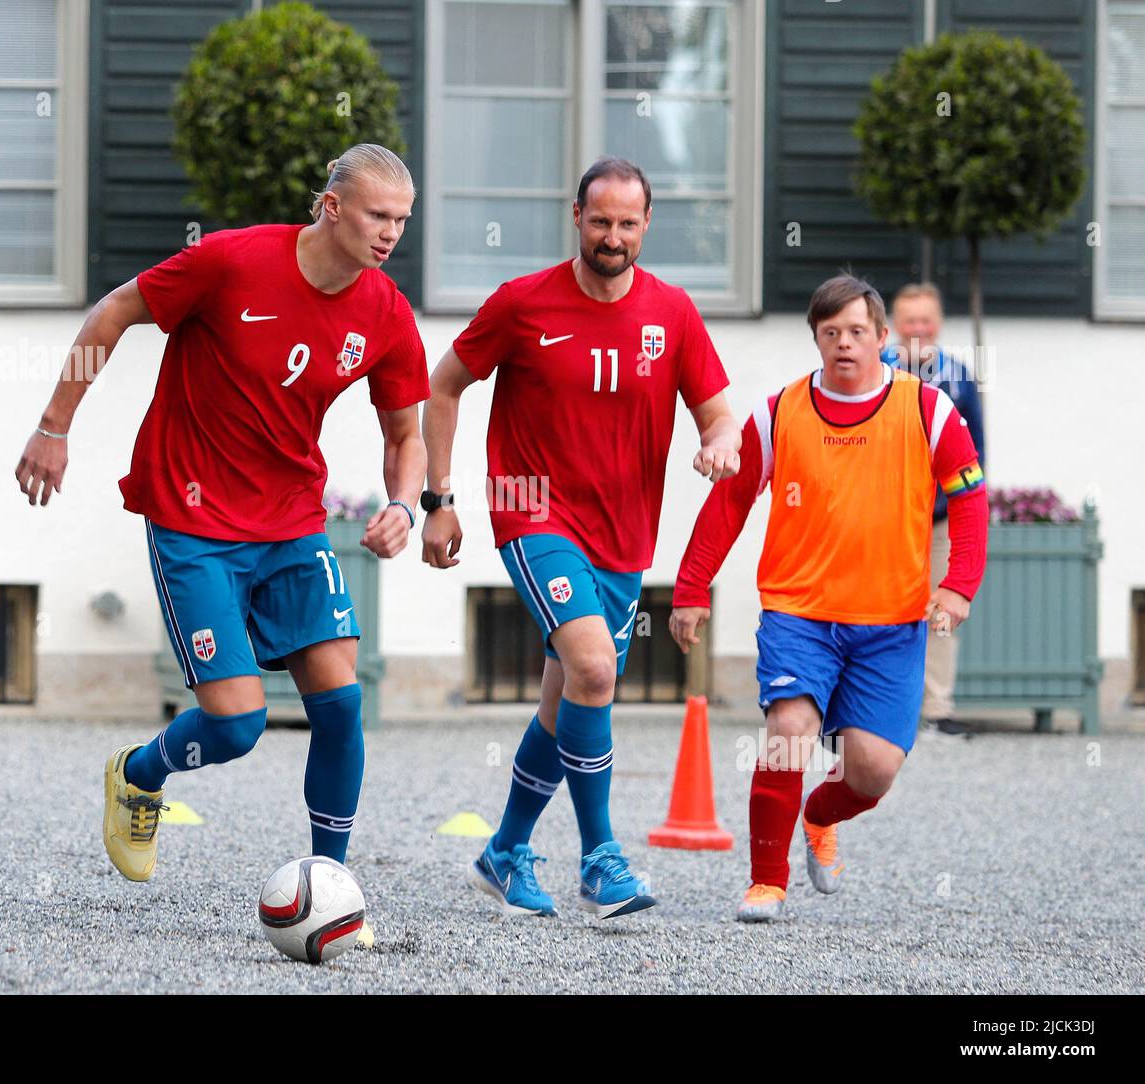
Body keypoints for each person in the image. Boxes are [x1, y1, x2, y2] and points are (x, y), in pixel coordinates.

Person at [13, 144, 430, 883]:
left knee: (340, 706)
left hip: (294, 523)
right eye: (377, 214)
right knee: (237, 725)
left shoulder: (387, 312)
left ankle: (329, 883)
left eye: (402, 217)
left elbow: (406, 436)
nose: (391, 232)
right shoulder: (231, 263)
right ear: (332, 207)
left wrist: (405, 503)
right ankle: (140, 773)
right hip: (193, 517)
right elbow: (113, 311)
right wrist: (54, 426)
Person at [422, 157, 741, 920]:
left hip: (623, 534)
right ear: (576, 216)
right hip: (531, 510)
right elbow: (443, 383)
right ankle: (601, 859)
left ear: (646, 225)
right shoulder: (523, 302)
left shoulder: (673, 313)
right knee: (595, 670)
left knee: (570, 702)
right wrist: (438, 499)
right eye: (600, 221)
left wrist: (721, 443)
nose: (613, 236)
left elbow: (720, 412)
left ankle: (504, 851)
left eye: (628, 223)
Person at [669, 273, 988, 922]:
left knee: (872, 772)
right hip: (799, 612)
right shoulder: (779, 411)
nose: (844, 344)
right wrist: (690, 586)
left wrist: (957, 586)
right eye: (830, 333)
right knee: (789, 731)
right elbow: (728, 502)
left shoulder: (929, 410)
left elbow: (971, 497)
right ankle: (766, 879)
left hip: (891, 621)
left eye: (856, 333)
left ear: (882, 338)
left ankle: (820, 815)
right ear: (816, 338)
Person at [881, 282, 986, 736]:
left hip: (941, 520)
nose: (919, 328)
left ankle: (938, 708)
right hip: (884, 517)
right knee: (880, 609)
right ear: (894, 326)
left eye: (926, 320)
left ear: (938, 323)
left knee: (941, 611)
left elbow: (976, 453)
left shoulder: (960, 377)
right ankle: (880, 707)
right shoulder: (874, 371)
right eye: (910, 321)